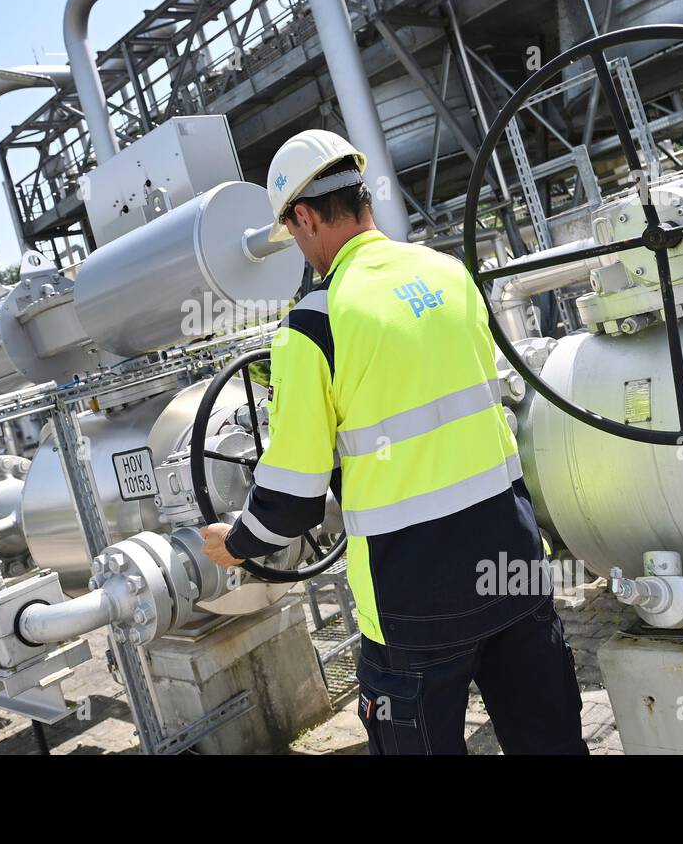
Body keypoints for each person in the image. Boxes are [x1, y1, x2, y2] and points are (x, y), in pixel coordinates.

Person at [199, 129, 588, 755]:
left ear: (303, 215)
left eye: (294, 234)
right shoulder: (450, 274)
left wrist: (239, 543)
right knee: (551, 743)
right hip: (512, 559)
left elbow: (294, 497)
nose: (299, 248)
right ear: (360, 196)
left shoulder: (313, 324)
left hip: (414, 595)